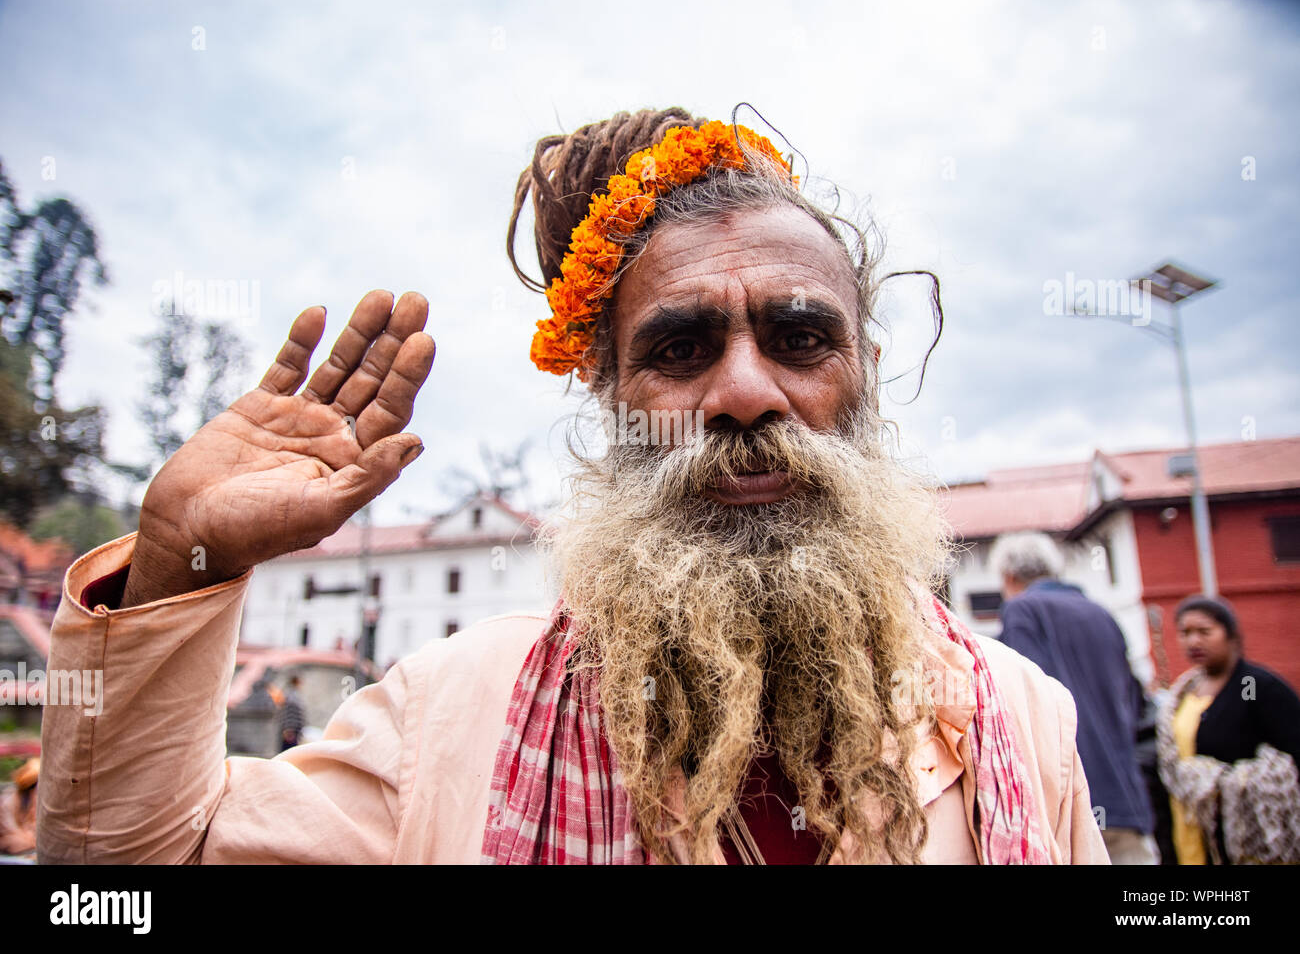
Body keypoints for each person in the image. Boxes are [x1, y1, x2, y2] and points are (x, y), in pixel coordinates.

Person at [37, 106, 1107, 864]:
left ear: (863, 377)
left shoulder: (1021, 719)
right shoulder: (446, 713)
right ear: (611, 399)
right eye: (680, 349)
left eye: (797, 336)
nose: (743, 393)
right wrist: (186, 553)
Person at [991, 531, 1158, 864]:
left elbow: (1027, 704)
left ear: (1009, 577)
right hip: (1125, 799)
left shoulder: (1021, 611)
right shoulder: (1101, 613)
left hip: (1071, 803)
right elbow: (1137, 704)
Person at [1157, 595, 1300, 864]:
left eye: (1204, 631)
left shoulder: (1255, 685)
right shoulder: (1183, 694)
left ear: (1231, 634)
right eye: (1185, 633)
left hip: (1248, 836)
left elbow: (1293, 752)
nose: (1193, 641)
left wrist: (1238, 784)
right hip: (1192, 826)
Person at [277, 675, 306, 751]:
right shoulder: (291, 696)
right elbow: (289, 714)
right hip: (291, 732)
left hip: (294, 731)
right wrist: (288, 729)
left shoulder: (292, 695)